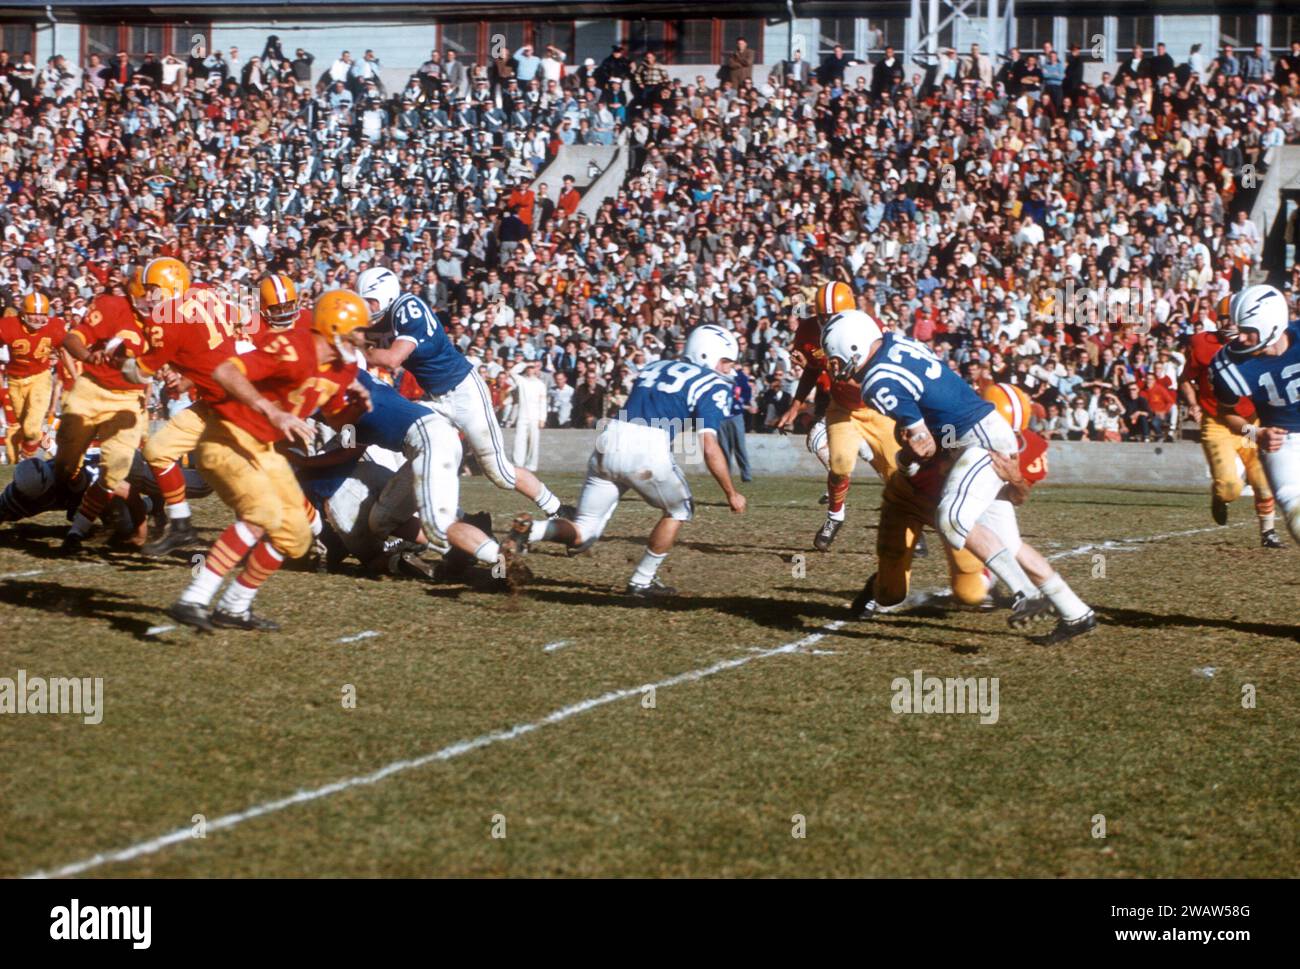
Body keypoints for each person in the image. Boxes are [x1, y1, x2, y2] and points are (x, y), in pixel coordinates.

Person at [824, 311, 1096, 644]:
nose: (833, 365)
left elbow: (922, 446)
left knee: (951, 518)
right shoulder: (895, 341)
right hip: (978, 435)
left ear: (852, 346)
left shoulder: (875, 382)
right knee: (1009, 544)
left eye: (834, 356)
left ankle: (1025, 592)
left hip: (975, 441)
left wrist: (904, 454)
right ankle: (1076, 612)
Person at [167, 291, 372, 632]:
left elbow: (337, 418)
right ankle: (194, 597)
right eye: (358, 331)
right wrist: (273, 412)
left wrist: (357, 409)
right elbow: (226, 371)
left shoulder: (343, 367)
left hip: (263, 448)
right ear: (334, 327)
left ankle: (234, 607)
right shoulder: (292, 348)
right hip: (228, 436)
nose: (363, 339)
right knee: (262, 514)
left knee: (295, 535)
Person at [505, 324, 746, 597]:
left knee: (584, 532)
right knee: (680, 510)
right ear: (706, 354)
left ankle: (530, 531)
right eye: (726, 361)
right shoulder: (710, 382)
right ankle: (642, 581)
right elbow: (709, 445)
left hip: (609, 438)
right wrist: (731, 492)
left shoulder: (656, 366)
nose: (729, 369)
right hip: (647, 446)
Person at [356, 266, 570, 521]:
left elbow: (392, 359)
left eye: (370, 301)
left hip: (464, 392)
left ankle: (557, 509)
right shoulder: (386, 317)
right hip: (436, 400)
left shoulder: (407, 308)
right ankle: (461, 521)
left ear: (386, 294)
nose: (366, 308)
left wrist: (360, 345)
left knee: (499, 471)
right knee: (418, 450)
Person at [774, 287, 903, 552]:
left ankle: (910, 519)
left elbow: (885, 369)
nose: (827, 323)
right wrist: (796, 405)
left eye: (833, 316)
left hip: (876, 407)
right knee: (837, 459)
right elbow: (814, 368)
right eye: (823, 317)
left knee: (892, 470)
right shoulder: (808, 330)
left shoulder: (868, 327)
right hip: (843, 405)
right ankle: (835, 516)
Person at [1179, 304, 1280, 546]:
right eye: (1224, 318)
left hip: (1250, 422)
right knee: (1231, 488)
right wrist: (1193, 404)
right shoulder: (1202, 344)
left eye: (1234, 319)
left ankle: (1268, 533)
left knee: (1264, 480)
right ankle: (1219, 496)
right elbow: (1184, 379)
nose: (1229, 324)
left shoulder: (1257, 343)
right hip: (1218, 423)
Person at [1209, 285, 1300, 544]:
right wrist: (1256, 433)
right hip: (1284, 442)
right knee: (1296, 514)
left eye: (1248, 330)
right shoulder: (1228, 366)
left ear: (1271, 325)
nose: (1240, 338)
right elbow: (1227, 415)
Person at [511, 358, 547, 472]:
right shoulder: (521, 381)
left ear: (536, 369)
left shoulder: (541, 384)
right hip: (522, 415)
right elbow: (512, 372)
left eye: (533, 368)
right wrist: (524, 363)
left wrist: (542, 418)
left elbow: (543, 403)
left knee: (533, 441)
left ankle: (531, 465)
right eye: (529, 368)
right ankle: (518, 463)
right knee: (519, 440)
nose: (530, 370)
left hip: (535, 417)